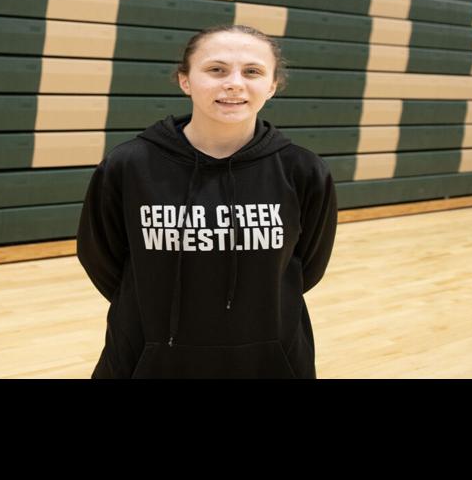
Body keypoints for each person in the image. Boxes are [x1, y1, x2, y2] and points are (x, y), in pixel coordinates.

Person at [76, 24, 338, 378]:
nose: (233, 83)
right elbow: (102, 257)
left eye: (252, 72)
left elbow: (308, 265)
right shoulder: (129, 165)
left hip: (268, 355)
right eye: (216, 70)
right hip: (148, 353)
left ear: (272, 85)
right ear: (185, 80)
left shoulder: (303, 170)